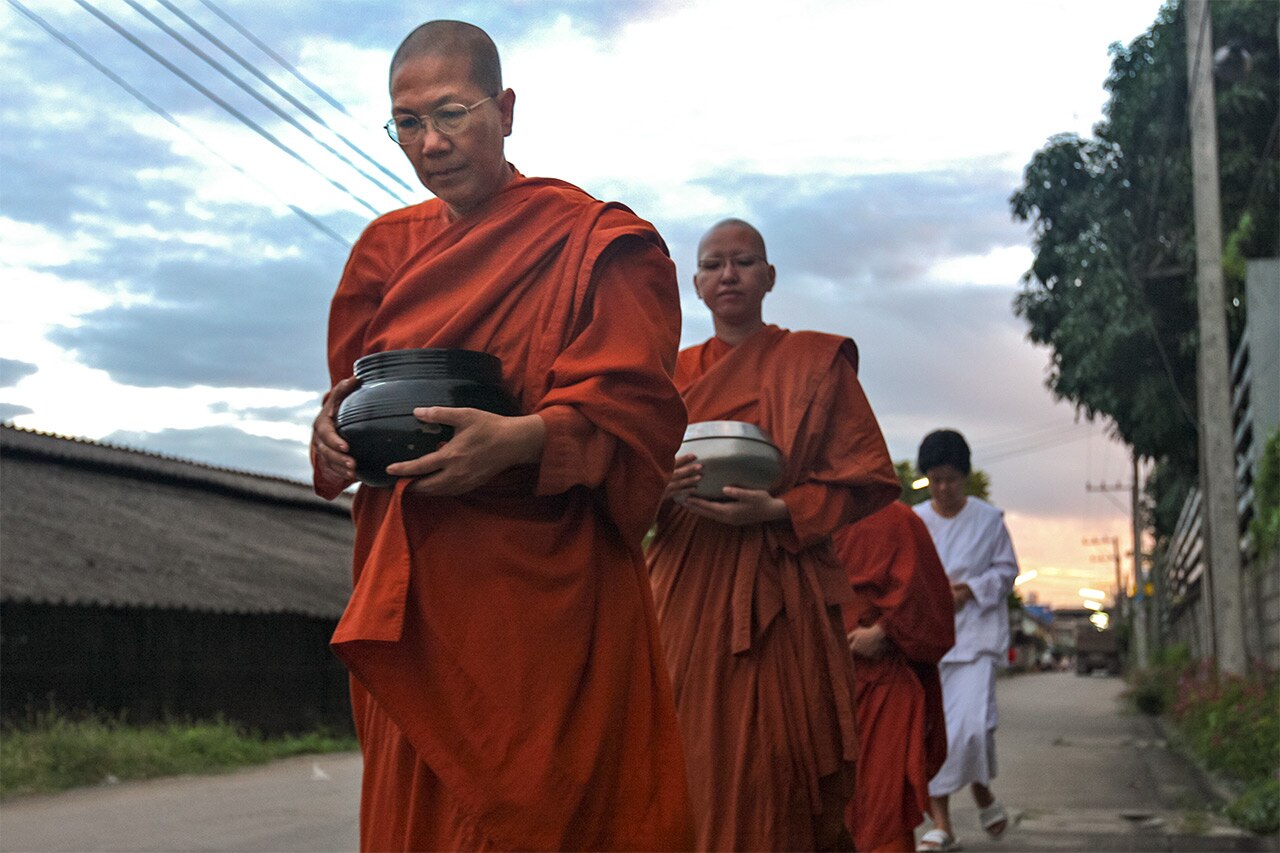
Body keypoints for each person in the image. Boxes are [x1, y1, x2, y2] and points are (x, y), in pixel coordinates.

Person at [309, 20, 693, 851]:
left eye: (453, 113)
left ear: (506, 109)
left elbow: (636, 415)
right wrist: (330, 434)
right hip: (414, 591)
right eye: (406, 122)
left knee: (545, 815)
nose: (431, 142)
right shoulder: (383, 250)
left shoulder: (598, 243)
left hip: (542, 600)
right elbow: (352, 393)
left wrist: (519, 440)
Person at [646, 218, 900, 850]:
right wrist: (658, 484)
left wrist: (779, 510)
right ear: (697, 286)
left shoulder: (813, 363)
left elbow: (865, 479)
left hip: (782, 589)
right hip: (685, 589)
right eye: (713, 265)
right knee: (683, 750)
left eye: (744, 261)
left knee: (778, 762)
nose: (728, 275)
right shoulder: (662, 379)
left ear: (770, 277)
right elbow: (619, 483)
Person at [912, 429, 1019, 853]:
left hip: (974, 637)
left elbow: (1007, 572)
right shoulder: (915, 521)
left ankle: (981, 792)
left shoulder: (989, 520)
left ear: (965, 477)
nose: (943, 488)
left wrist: (970, 589)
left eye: (951, 479)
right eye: (935, 479)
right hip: (927, 639)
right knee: (932, 732)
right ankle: (942, 825)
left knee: (972, 729)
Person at [832, 501, 955, 852]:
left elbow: (932, 603)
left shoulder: (897, 519)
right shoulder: (797, 511)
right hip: (817, 683)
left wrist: (885, 632)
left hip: (882, 684)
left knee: (881, 806)